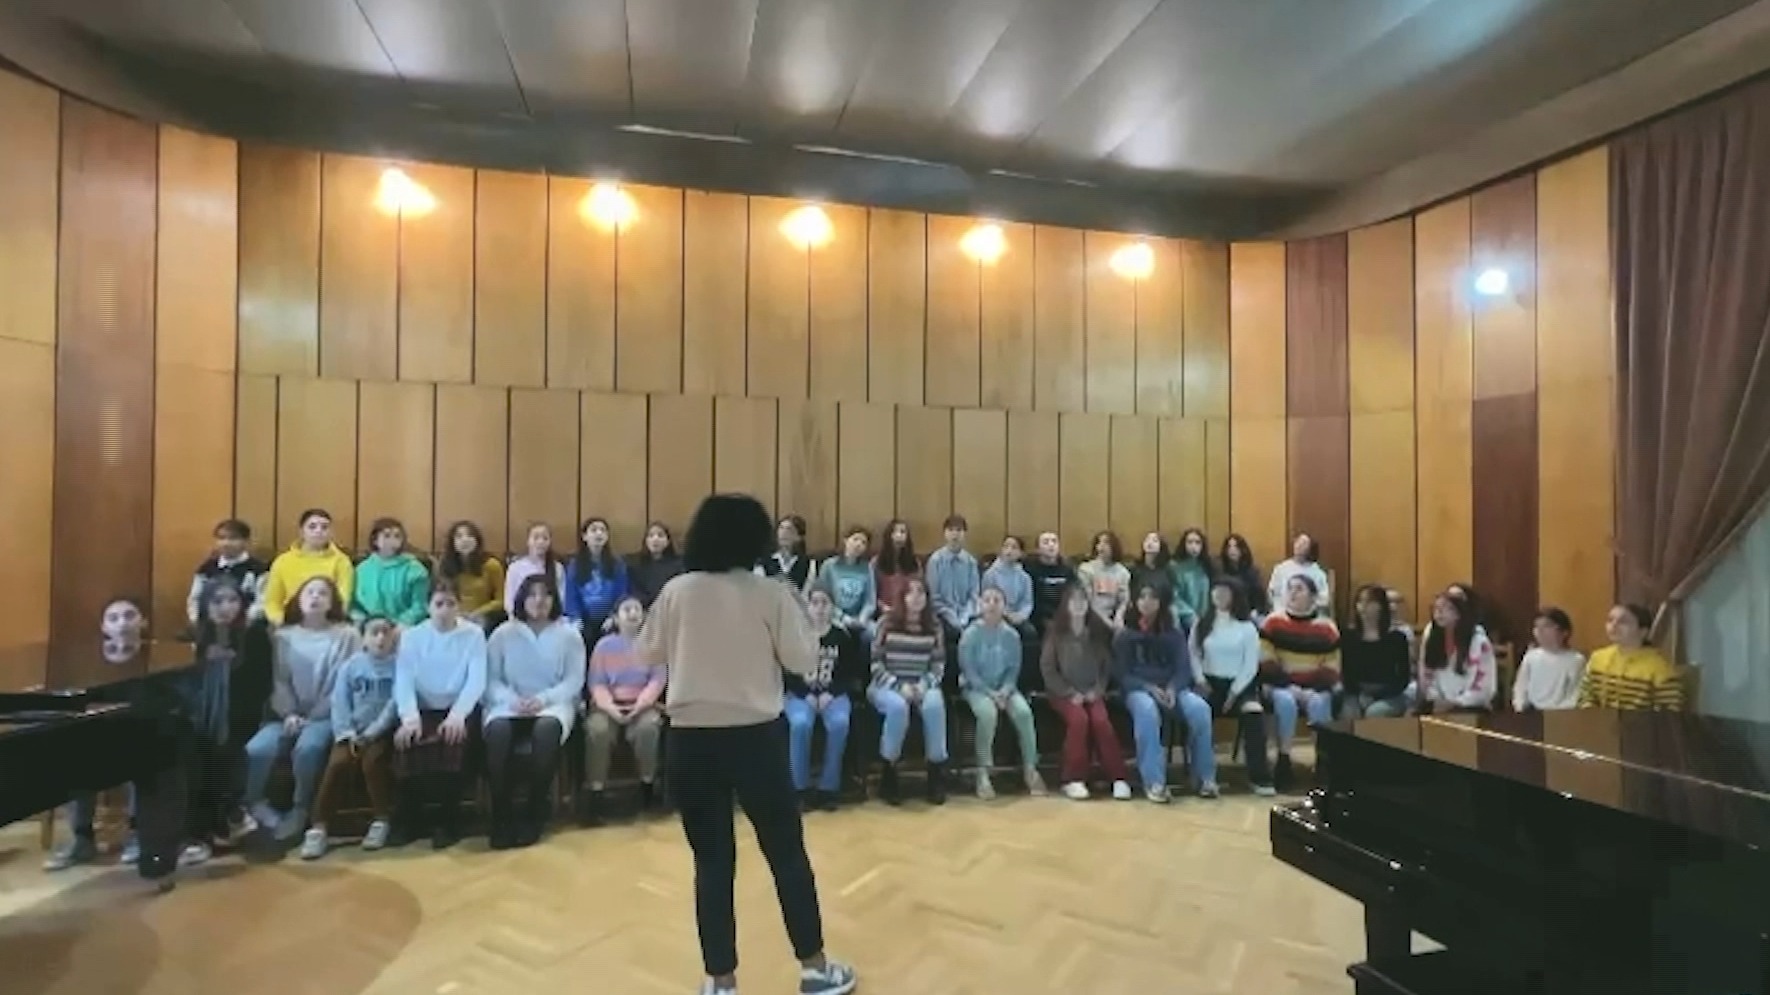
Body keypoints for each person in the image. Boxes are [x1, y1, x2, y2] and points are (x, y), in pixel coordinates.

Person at [635, 493, 858, 995]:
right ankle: (816, 968)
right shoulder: (770, 593)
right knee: (785, 853)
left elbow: (645, 649)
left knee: (712, 862)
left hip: (690, 740)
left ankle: (721, 981)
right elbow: (803, 659)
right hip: (756, 738)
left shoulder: (676, 590)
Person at [244, 576, 358, 841]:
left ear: (332, 602)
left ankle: (300, 808)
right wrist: (289, 713)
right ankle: (254, 803)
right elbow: (277, 680)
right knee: (256, 749)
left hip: (326, 714)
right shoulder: (282, 636)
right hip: (285, 714)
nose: (316, 598)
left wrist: (314, 716)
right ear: (298, 599)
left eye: (323, 593)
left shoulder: (347, 635)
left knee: (308, 748)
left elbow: (343, 681)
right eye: (310, 592)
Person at [46, 598, 149, 871]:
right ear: (103, 627)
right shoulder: (90, 663)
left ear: (143, 622)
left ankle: (138, 834)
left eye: (129, 616)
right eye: (113, 618)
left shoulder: (157, 662)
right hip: (98, 737)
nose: (122, 624)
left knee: (146, 759)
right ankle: (82, 839)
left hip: (141, 738)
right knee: (73, 761)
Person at [484, 575, 586, 848]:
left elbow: (574, 680)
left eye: (546, 595)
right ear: (522, 599)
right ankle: (501, 813)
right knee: (497, 732)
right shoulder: (503, 634)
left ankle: (534, 810)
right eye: (532, 595)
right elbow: (491, 679)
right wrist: (511, 699)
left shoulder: (568, 634)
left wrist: (543, 699)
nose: (539, 601)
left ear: (554, 599)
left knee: (546, 730)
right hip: (509, 704)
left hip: (552, 704)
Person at [180, 579, 273, 865]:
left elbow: (260, 686)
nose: (225, 608)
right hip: (197, 717)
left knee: (227, 752)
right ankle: (201, 833)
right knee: (195, 757)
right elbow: (181, 686)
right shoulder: (191, 638)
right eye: (217, 602)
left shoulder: (255, 637)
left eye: (231, 601)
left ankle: (225, 823)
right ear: (206, 606)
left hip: (241, 718)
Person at [392, 580, 488, 849]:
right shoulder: (412, 637)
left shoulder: (473, 635)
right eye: (438, 604)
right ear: (428, 607)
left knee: (454, 741)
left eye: (450, 604)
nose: (444, 610)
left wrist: (458, 715)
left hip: (459, 707)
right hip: (422, 708)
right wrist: (410, 717)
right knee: (405, 743)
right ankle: (410, 818)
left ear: (459, 606)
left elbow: (476, 680)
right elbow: (404, 680)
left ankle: (448, 820)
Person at [303, 616, 399, 859]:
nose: (380, 638)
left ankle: (381, 819)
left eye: (385, 633)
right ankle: (319, 826)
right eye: (374, 633)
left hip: (381, 732)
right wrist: (346, 733)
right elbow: (340, 702)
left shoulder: (400, 666)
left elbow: (394, 705)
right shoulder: (351, 666)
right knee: (337, 764)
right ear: (364, 638)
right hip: (351, 732)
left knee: (373, 762)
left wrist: (371, 734)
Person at [1114, 583, 1214, 801]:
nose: (1147, 602)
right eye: (1142, 597)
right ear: (1134, 602)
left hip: (1171, 689)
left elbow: (1183, 668)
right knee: (1148, 712)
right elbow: (1122, 675)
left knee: (1200, 709)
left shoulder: (1174, 634)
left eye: (1152, 597)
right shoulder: (1125, 636)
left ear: (1161, 603)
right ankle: (1154, 782)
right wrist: (1148, 688)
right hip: (1138, 690)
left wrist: (1172, 688)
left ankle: (1204, 778)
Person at [1041, 582, 1132, 801]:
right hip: (1063, 693)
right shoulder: (1055, 631)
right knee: (1079, 720)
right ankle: (1073, 778)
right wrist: (1069, 692)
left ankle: (1118, 777)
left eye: (1083, 601)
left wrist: (1097, 690)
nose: (1079, 605)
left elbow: (1105, 667)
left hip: (1092, 691)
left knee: (1101, 721)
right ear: (1067, 604)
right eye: (1074, 601)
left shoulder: (1097, 630)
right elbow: (1048, 668)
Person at [582, 595, 667, 823]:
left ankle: (647, 786)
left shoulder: (654, 643)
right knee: (597, 730)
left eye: (637, 609)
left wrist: (640, 706)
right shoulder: (604, 646)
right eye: (627, 610)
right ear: (616, 618)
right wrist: (611, 709)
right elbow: (596, 683)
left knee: (649, 728)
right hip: (608, 706)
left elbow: (658, 679)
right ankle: (596, 793)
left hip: (644, 705)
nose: (632, 614)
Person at [869, 576, 950, 806]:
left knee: (934, 706)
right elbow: (875, 663)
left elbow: (938, 664)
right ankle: (889, 772)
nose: (917, 598)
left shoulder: (934, 625)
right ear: (902, 597)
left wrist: (924, 685)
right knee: (898, 707)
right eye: (912, 593)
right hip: (886, 683)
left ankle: (935, 773)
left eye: (921, 593)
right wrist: (898, 685)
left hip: (922, 681)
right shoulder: (886, 623)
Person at [784, 588, 865, 811]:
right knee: (800, 724)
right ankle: (799, 788)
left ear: (832, 607)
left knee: (839, 724)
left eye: (825, 603)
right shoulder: (796, 636)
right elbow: (787, 673)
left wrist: (832, 693)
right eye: (815, 603)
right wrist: (807, 695)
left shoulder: (841, 637)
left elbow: (850, 674)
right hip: (800, 694)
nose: (819, 608)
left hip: (833, 694)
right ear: (807, 607)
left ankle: (829, 788)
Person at [960, 587, 1044, 800]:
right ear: (980, 605)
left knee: (1024, 713)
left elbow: (1013, 669)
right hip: (976, 689)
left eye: (997, 600)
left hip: (1005, 688)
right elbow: (968, 670)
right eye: (987, 600)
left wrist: (1005, 691)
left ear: (1004, 606)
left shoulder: (1011, 635)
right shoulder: (970, 634)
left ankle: (1030, 768)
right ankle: (983, 772)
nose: (991, 604)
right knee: (988, 714)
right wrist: (990, 693)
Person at [1259, 575, 1341, 789]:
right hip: (1279, 685)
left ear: (1313, 596)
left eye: (1299, 589)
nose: (1293, 593)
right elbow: (1266, 661)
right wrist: (1291, 685)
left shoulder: (1327, 628)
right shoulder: (1273, 622)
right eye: (1290, 589)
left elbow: (1332, 668)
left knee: (1320, 702)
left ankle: (1323, 763)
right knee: (1285, 701)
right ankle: (1283, 761)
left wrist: (1309, 688)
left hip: (1314, 687)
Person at [1192, 578, 1272, 795]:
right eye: (1216, 591)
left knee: (1254, 713)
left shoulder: (1247, 627)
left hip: (1240, 685)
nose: (1219, 595)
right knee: (1197, 712)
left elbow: (1250, 665)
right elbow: (1194, 655)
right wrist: (1200, 680)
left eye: (1225, 592)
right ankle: (1203, 777)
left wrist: (1234, 693)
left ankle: (1259, 778)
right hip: (1208, 683)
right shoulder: (1202, 623)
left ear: (1235, 596)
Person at [1578, 603, 1683, 711]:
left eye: (1623, 622)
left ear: (1643, 631)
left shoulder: (1660, 667)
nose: (1613, 625)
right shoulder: (1598, 657)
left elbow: (1670, 709)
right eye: (1610, 620)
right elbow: (1586, 695)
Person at [261, 508, 355, 625]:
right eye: (312, 526)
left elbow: (343, 600)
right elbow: (272, 601)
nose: (318, 531)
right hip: (288, 622)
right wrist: (282, 622)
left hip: (327, 623)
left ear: (331, 532)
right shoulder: (283, 561)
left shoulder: (341, 561)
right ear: (301, 532)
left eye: (324, 527)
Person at [1416, 590, 1497, 714]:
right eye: (1436, 608)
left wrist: (1456, 703)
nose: (1439, 613)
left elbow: (1484, 688)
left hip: (1470, 706)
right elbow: (1427, 677)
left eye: (1447, 608)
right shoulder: (1433, 640)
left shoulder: (1479, 643)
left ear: (1459, 614)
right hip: (1439, 704)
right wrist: (1436, 699)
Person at [1339, 584, 1412, 719]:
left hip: (1390, 694)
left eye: (1369, 602)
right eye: (1360, 602)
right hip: (1356, 693)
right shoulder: (1348, 637)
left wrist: (1377, 695)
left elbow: (1403, 678)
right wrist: (1360, 694)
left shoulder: (1397, 638)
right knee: (1349, 714)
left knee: (1375, 713)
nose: (1363, 607)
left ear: (1380, 606)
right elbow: (1345, 672)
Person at [350, 517, 431, 628]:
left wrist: (401, 623)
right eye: (387, 536)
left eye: (397, 536)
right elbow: (354, 604)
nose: (392, 540)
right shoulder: (361, 569)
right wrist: (363, 621)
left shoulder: (415, 569)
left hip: (404, 627)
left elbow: (420, 605)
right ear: (375, 540)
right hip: (369, 626)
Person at [185, 518, 269, 626]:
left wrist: (239, 620)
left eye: (233, 538)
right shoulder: (207, 569)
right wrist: (198, 620)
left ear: (246, 541)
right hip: (210, 628)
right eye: (221, 538)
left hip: (247, 629)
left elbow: (262, 602)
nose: (226, 543)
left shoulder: (259, 570)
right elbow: (195, 599)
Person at [926, 514, 982, 658]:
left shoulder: (970, 562)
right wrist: (952, 618)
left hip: (967, 614)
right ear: (945, 533)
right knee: (948, 633)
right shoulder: (935, 561)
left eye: (959, 530)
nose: (955, 534)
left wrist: (965, 616)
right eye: (951, 530)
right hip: (942, 614)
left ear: (965, 534)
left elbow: (974, 595)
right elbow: (933, 597)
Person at [565, 516, 630, 640]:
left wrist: (614, 616)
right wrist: (575, 618)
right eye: (594, 530)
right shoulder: (575, 564)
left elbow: (622, 593)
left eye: (603, 530)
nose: (599, 533)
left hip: (609, 619)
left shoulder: (617, 563)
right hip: (584, 620)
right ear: (584, 536)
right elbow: (570, 596)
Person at [437, 520, 506, 632]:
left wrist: (477, 613)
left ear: (477, 540)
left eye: (470, 535)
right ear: (452, 543)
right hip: (453, 614)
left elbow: (501, 600)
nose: (465, 540)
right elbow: (440, 595)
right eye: (459, 536)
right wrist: (456, 613)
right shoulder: (444, 565)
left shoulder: (492, 565)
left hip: (482, 616)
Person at [1513, 608, 1586, 712]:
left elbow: (1576, 694)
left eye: (1547, 626)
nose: (1540, 631)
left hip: (1561, 713)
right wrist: (1520, 705)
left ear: (1564, 632)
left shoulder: (1576, 660)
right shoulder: (1531, 656)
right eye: (1536, 627)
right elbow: (1520, 686)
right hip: (1532, 711)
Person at [819, 526, 878, 645]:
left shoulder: (867, 568)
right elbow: (822, 598)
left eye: (863, 543)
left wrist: (862, 618)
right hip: (834, 617)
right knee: (840, 632)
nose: (858, 544)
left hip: (859, 618)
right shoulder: (830, 565)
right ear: (846, 540)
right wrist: (844, 618)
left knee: (873, 632)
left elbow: (870, 601)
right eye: (855, 539)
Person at [505, 521, 569, 616]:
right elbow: (509, 600)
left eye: (545, 538)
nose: (540, 542)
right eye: (536, 538)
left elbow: (562, 599)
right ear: (528, 541)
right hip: (521, 618)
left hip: (550, 618)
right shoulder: (515, 568)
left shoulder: (557, 567)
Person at [1075, 530, 1130, 628]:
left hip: (1112, 615)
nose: (1101, 546)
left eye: (1106, 543)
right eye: (1099, 543)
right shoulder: (1086, 569)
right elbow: (1087, 601)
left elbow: (1124, 600)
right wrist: (1105, 621)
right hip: (1090, 617)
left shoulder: (1123, 572)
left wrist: (1119, 616)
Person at [1026, 531, 1078, 634]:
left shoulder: (1067, 569)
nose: (1051, 545)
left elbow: (1074, 593)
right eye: (1046, 542)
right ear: (1038, 549)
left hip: (1062, 614)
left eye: (1054, 541)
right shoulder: (1030, 568)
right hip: (1039, 616)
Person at [1267, 532, 1331, 615]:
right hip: (1282, 613)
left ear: (1310, 548)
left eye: (1303, 544)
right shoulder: (1281, 568)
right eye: (1297, 542)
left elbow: (1324, 599)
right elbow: (1272, 593)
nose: (1298, 546)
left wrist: (1307, 609)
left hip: (1308, 615)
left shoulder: (1318, 573)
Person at [630, 521, 685, 609]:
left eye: (660, 535)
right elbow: (635, 591)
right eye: (651, 536)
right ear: (646, 541)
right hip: (644, 610)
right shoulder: (636, 564)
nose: (655, 539)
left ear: (668, 541)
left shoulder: (678, 564)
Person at [757, 514, 818, 592]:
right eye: (781, 528)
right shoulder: (764, 562)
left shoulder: (810, 564)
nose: (784, 533)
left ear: (799, 537)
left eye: (789, 529)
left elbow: (808, 592)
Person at [1169, 528, 1214, 631]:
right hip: (1183, 614)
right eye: (1190, 542)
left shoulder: (1207, 566)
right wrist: (1191, 615)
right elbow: (1175, 597)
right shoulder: (1174, 567)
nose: (1193, 546)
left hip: (1204, 615)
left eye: (1197, 542)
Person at [1217, 534, 1268, 616]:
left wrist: (1255, 612)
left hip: (1249, 613)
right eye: (1229, 547)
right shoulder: (1220, 570)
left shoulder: (1252, 571)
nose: (1232, 550)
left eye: (1236, 547)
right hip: (1225, 613)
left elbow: (1260, 598)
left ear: (1243, 549)